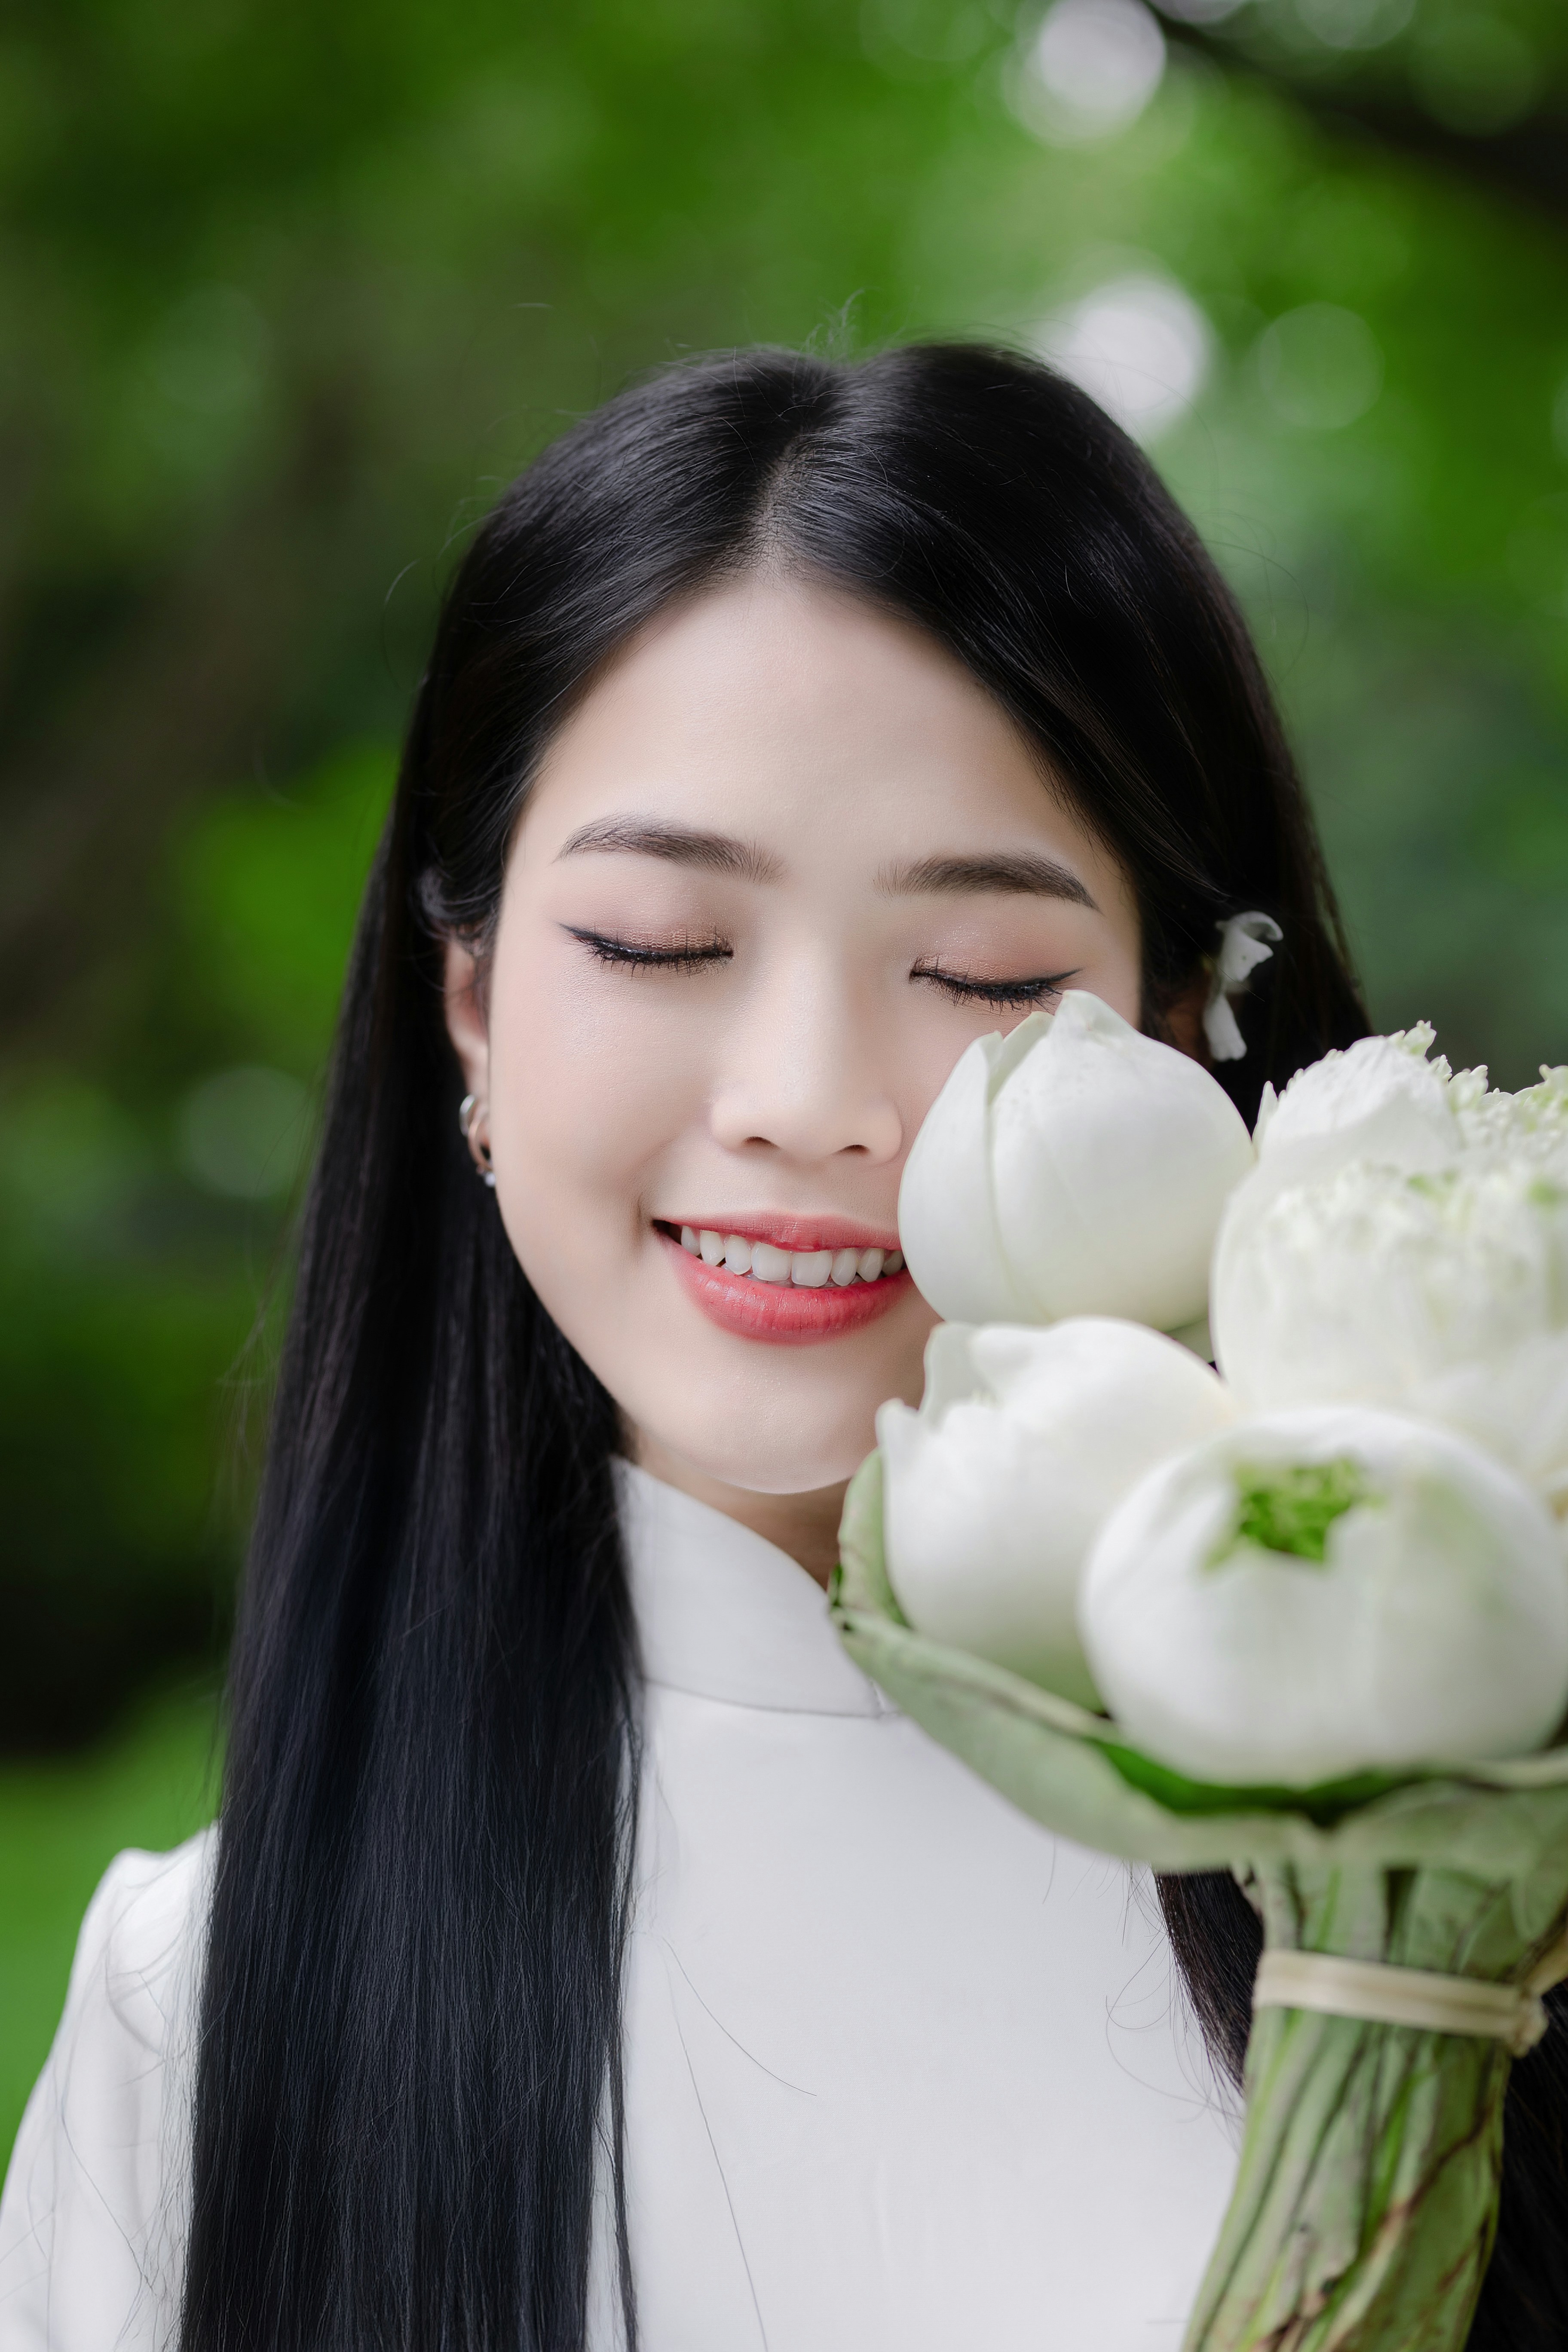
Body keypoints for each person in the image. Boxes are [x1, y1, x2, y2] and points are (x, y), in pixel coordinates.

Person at [2, 343, 1559, 2351]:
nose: (808, 1099)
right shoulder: (200, 2005)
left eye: (982, 972)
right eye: (659, 941)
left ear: (1179, 1031)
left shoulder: (1478, 1874)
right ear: (467, 1001)